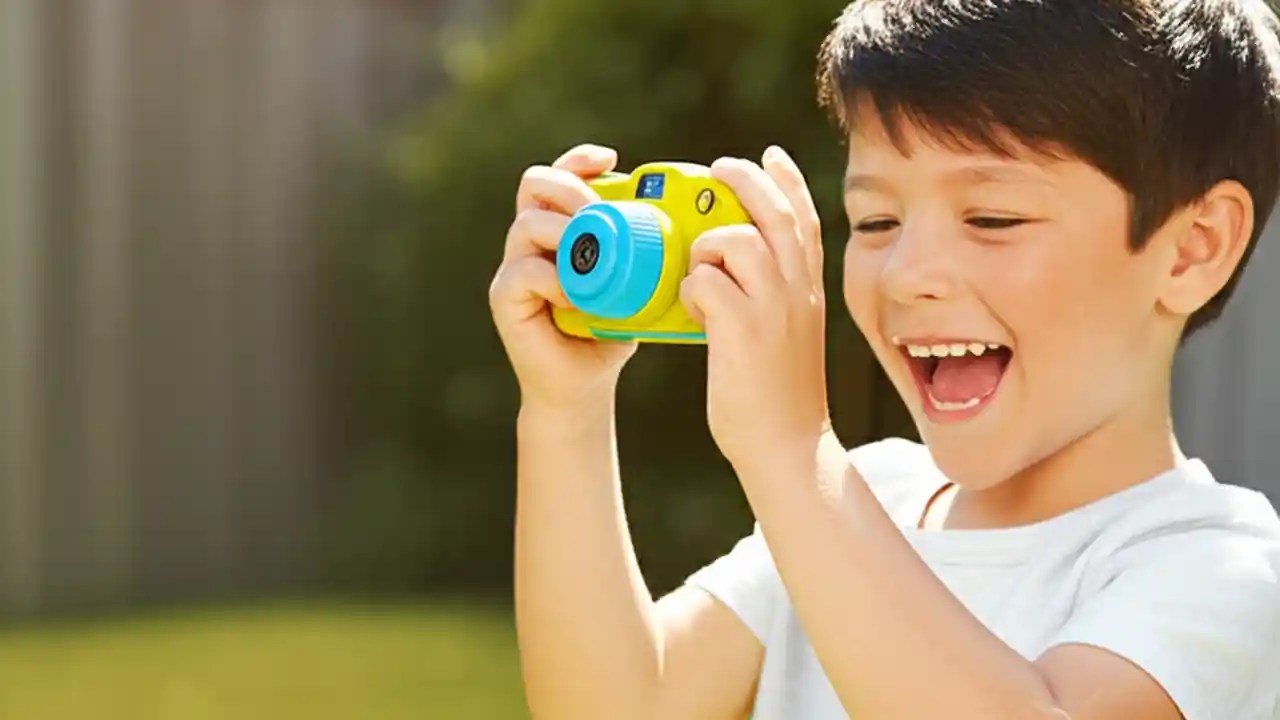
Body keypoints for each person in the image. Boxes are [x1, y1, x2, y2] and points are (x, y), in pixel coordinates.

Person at [488, 0, 1280, 717]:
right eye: (874, 222)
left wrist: (793, 452)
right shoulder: (863, 502)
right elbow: (619, 706)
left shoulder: (1217, 564)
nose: (905, 274)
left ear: (1192, 249)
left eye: (993, 217)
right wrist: (566, 412)